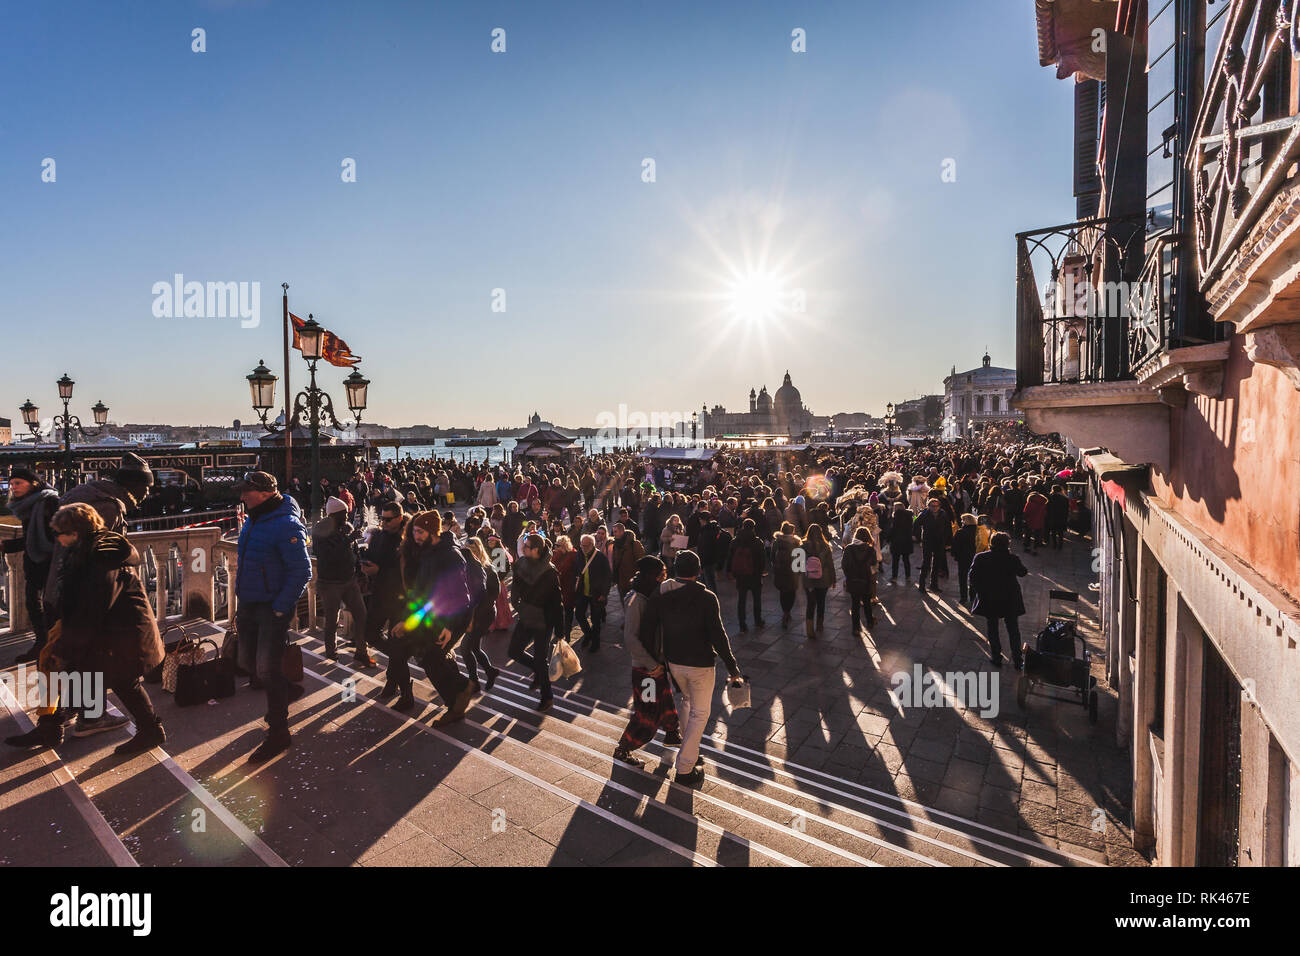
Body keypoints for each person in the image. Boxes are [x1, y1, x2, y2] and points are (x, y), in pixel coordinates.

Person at [5, 503, 167, 754]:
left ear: (76, 532)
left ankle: (149, 730)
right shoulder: (87, 549)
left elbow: (95, 603)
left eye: (60, 533)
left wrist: (71, 639)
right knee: (76, 671)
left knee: (124, 681)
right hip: (108, 631)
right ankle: (53, 725)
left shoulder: (103, 556)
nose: (57, 538)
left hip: (121, 632)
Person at [639, 550, 742, 786]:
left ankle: (690, 749)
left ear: (676, 570)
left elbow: (648, 626)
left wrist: (654, 661)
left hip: (674, 661)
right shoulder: (706, 597)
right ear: (698, 571)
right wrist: (732, 667)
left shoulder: (662, 593)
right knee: (700, 713)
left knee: (686, 701)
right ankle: (685, 766)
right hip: (701, 664)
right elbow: (718, 635)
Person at [232, 471, 313, 762]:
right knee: (246, 663)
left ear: (265, 494)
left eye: (247, 492)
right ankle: (286, 688)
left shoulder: (286, 525)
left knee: (266, 670)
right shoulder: (253, 520)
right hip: (249, 604)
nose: (242, 497)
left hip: (271, 608)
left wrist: (280, 606)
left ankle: (279, 732)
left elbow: (302, 571)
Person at [394, 510, 479, 724]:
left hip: (453, 617)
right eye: (414, 531)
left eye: (420, 532)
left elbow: (461, 595)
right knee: (427, 656)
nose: (416, 536)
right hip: (436, 613)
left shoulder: (450, 555)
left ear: (433, 531)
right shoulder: (428, 552)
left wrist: (450, 626)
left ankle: (461, 689)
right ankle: (456, 701)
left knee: (431, 659)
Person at [612, 556, 683, 767]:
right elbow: (630, 638)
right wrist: (652, 665)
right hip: (646, 670)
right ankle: (623, 749)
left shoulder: (651, 595)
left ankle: (672, 734)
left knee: (666, 701)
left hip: (656, 666)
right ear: (651, 575)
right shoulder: (636, 600)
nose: (665, 577)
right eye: (661, 573)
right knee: (648, 712)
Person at [3, 468, 59, 664]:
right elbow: (30, 539)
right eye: (11, 484)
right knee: (33, 604)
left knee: (48, 606)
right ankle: (43, 644)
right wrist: (6, 546)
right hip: (35, 563)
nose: (13, 487)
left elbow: (56, 536)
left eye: (18, 483)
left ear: (33, 483)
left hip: (49, 562)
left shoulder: (48, 502)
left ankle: (48, 647)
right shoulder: (29, 505)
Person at [312, 497, 373, 666]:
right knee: (332, 620)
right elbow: (325, 554)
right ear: (333, 514)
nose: (347, 516)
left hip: (349, 580)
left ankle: (362, 652)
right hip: (329, 583)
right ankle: (331, 653)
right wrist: (349, 539)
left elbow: (351, 551)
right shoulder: (320, 529)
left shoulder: (347, 527)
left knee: (361, 615)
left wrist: (359, 566)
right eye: (344, 514)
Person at [509, 533, 563, 711]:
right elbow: (516, 584)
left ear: (536, 550)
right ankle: (540, 673)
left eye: (526, 547)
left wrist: (561, 630)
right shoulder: (522, 563)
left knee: (541, 658)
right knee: (514, 651)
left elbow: (557, 602)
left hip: (544, 619)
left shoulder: (549, 571)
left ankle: (547, 697)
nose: (523, 549)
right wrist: (515, 602)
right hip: (526, 614)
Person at [361, 502, 409, 699]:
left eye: (388, 519)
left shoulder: (408, 538)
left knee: (395, 639)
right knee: (370, 633)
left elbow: (408, 572)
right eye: (382, 518)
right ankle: (399, 662)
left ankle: (397, 684)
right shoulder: (379, 535)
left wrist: (380, 570)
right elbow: (375, 557)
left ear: (399, 517)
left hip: (400, 598)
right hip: (380, 593)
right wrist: (365, 560)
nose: (384, 522)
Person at [968, 532, 1029, 669]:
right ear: (1008, 544)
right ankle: (1018, 660)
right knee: (1013, 629)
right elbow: (1023, 572)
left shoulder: (981, 557)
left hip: (990, 598)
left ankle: (996, 658)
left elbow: (972, 577)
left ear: (991, 543)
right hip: (1010, 599)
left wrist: (980, 592)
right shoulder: (1012, 558)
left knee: (993, 629)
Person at [460, 537, 502, 690]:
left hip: (483, 615)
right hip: (472, 614)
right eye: (467, 551)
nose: (469, 554)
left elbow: (493, 596)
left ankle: (474, 681)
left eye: (472, 551)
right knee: (474, 648)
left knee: (465, 648)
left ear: (479, 551)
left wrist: (474, 617)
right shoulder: (465, 567)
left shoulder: (488, 569)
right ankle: (490, 672)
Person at [573, 533, 612, 652]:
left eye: (585, 546)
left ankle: (595, 642)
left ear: (592, 545)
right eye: (581, 545)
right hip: (582, 593)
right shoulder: (579, 555)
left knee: (596, 620)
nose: (583, 548)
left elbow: (607, 577)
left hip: (597, 594)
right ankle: (588, 634)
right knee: (579, 615)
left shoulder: (600, 557)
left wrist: (604, 594)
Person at [728, 517, 766, 632]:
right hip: (754, 574)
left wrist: (730, 571)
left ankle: (742, 623)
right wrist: (761, 571)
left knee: (741, 599)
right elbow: (762, 559)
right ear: (753, 528)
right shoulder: (758, 542)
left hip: (741, 574)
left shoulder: (735, 541)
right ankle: (758, 620)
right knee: (757, 599)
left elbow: (730, 557)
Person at [800, 524, 836, 637]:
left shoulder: (802, 546)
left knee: (811, 604)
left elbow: (797, 566)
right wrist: (833, 579)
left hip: (808, 580)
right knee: (821, 602)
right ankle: (820, 625)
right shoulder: (826, 546)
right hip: (823, 579)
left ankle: (810, 630)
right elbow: (830, 564)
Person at [841, 526, 877, 633]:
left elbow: (844, 565)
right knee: (867, 602)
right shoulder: (870, 550)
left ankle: (856, 628)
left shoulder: (848, 549)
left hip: (852, 580)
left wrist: (848, 575)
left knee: (855, 604)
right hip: (865, 580)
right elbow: (874, 564)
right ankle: (870, 621)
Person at [913, 497, 952, 594]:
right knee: (926, 563)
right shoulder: (924, 514)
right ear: (928, 506)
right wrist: (918, 537)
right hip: (928, 541)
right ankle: (922, 586)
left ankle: (934, 585)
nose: (934, 508)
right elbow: (916, 524)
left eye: (936, 506)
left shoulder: (943, 514)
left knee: (936, 564)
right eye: (932, 506)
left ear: (939, 506)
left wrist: (948, 540)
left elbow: (948, 527)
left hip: (939, 541)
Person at [771, 520, 802, 628]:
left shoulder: (777, 542)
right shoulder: (796, 542)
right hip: (792, 572)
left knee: (783, 592)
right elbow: (800, 559)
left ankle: (785, 612)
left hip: (780, 570)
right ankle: (787, 612)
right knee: (792, 592)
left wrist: (775, 566)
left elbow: (772, 556)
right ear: (792, 532)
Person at [952, 513, 979, 606]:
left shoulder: (960, 532)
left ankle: (963, 597)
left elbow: (955, 546)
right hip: (976, 558)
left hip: (963, 558)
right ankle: (973, 597)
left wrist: (955, 555)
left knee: (962, 578)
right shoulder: (978, 531)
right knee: (974, 578)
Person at [887, 501, 914, 582]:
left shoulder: (896, 517)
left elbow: (892, 530)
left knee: (895, 561)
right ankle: (908, 576)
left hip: (896, 541)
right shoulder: (910, 516)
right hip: (907, 541)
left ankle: (894, 577)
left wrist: (888, 539)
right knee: (906, 560)